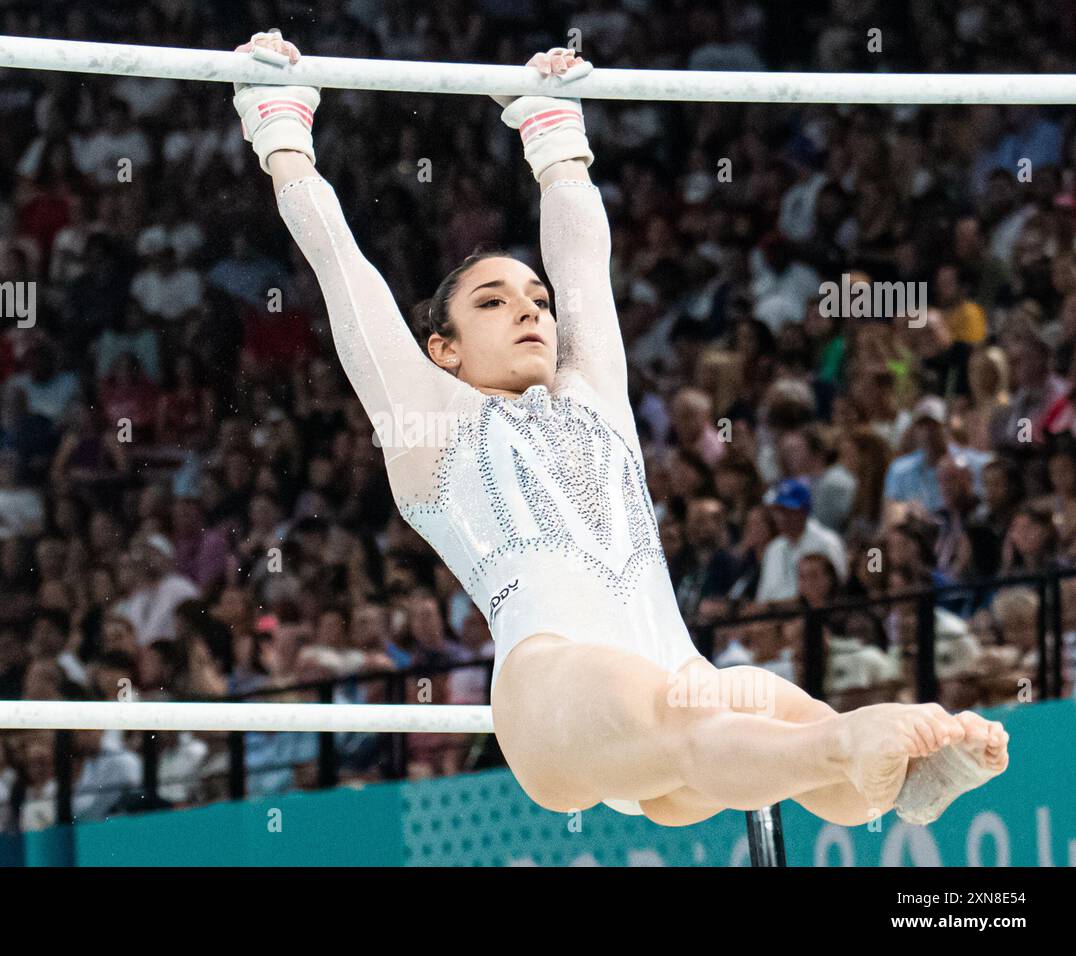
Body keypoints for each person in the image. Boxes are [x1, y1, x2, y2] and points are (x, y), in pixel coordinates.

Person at [233, 31, 1008, 826]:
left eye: (534, 298)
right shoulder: (429, 418)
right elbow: (344, 270)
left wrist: (555, 138)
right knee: (730, 730)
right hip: (555, 688)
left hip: (675, 668)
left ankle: (899, 779)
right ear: (444, 350)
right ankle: (851, 749)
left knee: (791, 723)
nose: (531, 309)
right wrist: (282, 131)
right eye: (493, 302)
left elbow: (582, 271)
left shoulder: (593, 398)